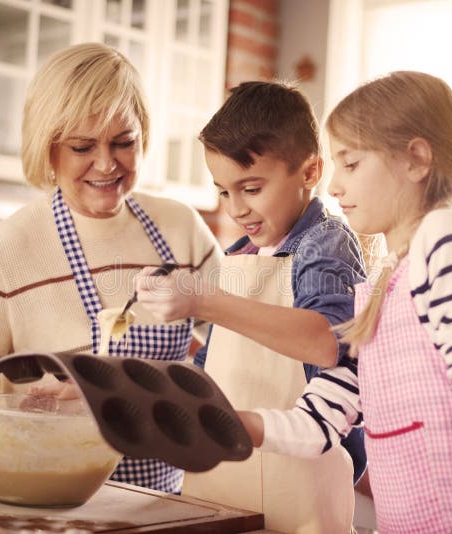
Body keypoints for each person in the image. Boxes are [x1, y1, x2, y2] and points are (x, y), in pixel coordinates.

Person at [237, 71, 452, 533]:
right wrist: (230, 424)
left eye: (350, 164)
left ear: (416, 160)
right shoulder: (386, 277)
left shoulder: (446, 244)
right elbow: (320, 421)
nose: (334, 187)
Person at [0, 42, 222, 494]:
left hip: (164, 504)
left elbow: (232, 351)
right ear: (48, 148)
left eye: (124, 142)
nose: (106, 163)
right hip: (48, 502)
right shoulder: (7, 250)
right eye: (82, 146)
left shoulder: (180, 227)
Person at [134, 81, 366, 533]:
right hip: (220, 494)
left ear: (310, 171)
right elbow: (209, 378)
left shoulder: (326, 244)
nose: (236, 208)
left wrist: (203, 299)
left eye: (252, 188)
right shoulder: (238, 255)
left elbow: (325, 342)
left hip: (299, 501)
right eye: (223, 192)